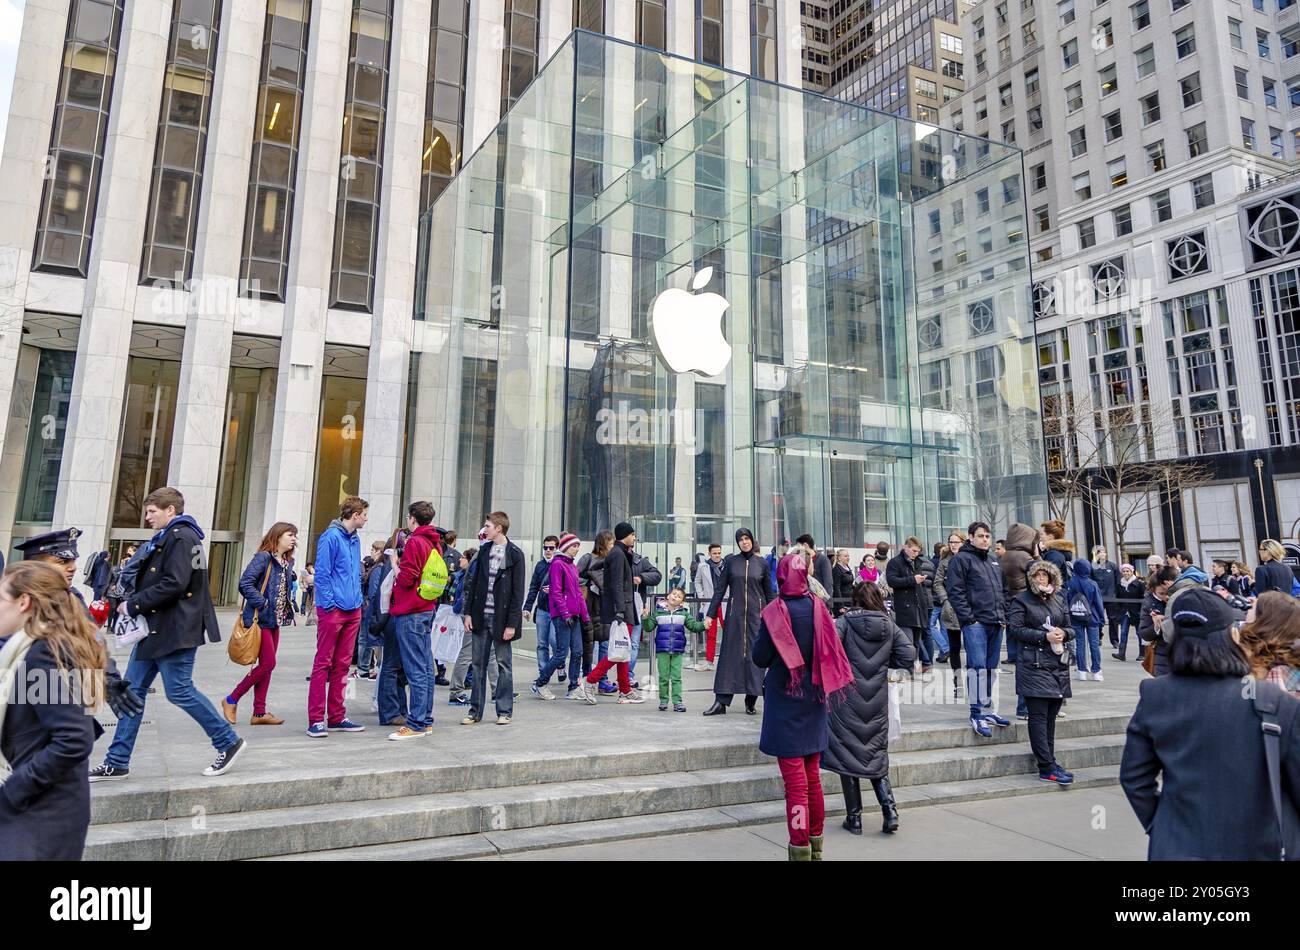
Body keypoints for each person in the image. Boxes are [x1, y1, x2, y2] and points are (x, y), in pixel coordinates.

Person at [1120, 587, 1298, 860]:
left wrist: (1162, 827)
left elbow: (1134, 779)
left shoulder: (1155, 695)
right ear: (1231, 637)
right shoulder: (1273, 700)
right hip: (1258, 846)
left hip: (1179, 847)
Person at [91, 487, 246, 780]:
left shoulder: (181, 536)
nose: (147, 517)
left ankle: (228, 741)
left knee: (179, 691)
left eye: (152, 512)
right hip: (156, 629)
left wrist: (132, 605)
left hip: (174, 629)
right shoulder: (172, 536)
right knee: (131, 692)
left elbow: (175, 583)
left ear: (170, 510)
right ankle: (117, 760)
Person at [0, 561, 108, 859]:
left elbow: (74, 737)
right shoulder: (39, 647)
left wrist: (14, 790)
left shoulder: (45, 653)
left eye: (0, 599)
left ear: (24, 603)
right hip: (44, 809)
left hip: (40, 815)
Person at [753, 552, 853, 861]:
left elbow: (760, 658)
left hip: (785, 702)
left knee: (794, 782)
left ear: (780, 577)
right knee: (812, 778)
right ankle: (816, 845)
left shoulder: (774, 612)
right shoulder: (818, 608)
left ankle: (799, 849)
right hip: (814, 699)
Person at [822, 582, 915, 835]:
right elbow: (909, 655)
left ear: (855, 599)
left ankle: (854, 818)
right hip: (876, 698)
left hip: (846, 698)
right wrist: (884, 663)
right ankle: (890, 811)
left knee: (846, 754)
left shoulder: (845, 622)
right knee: (875, 753)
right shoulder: (889, 625)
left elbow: (828, 649)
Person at [304, 496, 369, 738]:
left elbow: (353, 572)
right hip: (334, 609)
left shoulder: (355, 539)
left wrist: (358, 601)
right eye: (364, 514)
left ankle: (337, 715)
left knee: (343, 665)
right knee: (323, 663)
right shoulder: (331, 537)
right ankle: (315, 719)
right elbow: (322, 573)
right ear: (354, 515)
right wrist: (330, 605)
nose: (365, 518)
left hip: (353, 608)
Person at [223, 522, 297, 726]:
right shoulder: (263, 557)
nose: (293, 539)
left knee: (267, 666)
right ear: (278, 536)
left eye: (294, 536)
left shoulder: (285, 562)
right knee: (268, 663)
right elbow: (245, 583)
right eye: (290, 535)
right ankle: (231, 699)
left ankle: (259, 712)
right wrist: (262, 603)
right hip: (260, 619)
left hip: (275, 620)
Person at [1007, 561, 1075, 785]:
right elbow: (1015, 629)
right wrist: (1042, 636)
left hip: (1056, 664)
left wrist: (1063, 633)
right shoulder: (1022, 600)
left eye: (1045, 576)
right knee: (1038, 716)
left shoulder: (1058, 599)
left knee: (1051, 717)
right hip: (1033, 665)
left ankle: (1051, 761)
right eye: (1037, 576)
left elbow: (1070, 626)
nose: (1041, 579)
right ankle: (1045, 766)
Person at [945, 522, 1010, 738]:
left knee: (991, 668)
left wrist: (1004, 615)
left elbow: (1004, 590)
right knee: (978, 667)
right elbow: (955, 591)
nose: (985, 539)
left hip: (995, 622)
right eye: (980, 536)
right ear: (970, 537)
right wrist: (969, 619)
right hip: (976, 624)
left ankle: (988, 709)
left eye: (987, 536)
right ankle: (977, 712)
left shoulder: (993, 560)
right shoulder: (961, 560)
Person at [462, 512, 525, 725]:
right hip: (480, 616)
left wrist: (511, 625)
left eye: (488, 525)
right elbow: (473, 584)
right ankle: (474, 711)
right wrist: (468, 613)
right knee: (478, 664)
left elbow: (518, 593)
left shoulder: (515, 554)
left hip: (501, 620)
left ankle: (504, 711)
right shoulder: (483, 551)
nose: (485, 528)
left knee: (503, 665)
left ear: (499, 528)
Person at [387, 502, 443, 740]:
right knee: (426, 667)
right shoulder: (434, 542)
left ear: (412, 519)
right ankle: (425, 719)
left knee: (416, 669)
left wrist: (395, 567)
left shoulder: (415, 542)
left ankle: (416, 722)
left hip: (410, 609)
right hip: (426, 607)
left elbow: (408, 577)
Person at [574, 522, 645, 705]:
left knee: (623, 650)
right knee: (617, 651)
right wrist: (620, 611)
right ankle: (590, 681)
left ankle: (625, 690)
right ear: (626, 535)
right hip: (621, 611)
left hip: (622, 610)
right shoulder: (618, 555)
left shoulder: (619, 553)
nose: (634, 537)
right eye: (633, 534)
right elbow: (616, 585)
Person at [703, 528, 772, 716]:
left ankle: (751, 700)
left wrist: (775, 617)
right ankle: (721, 702)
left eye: (746, 538)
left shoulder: (762, 564)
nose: (744, 542)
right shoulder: (731, 562)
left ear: (751, 540)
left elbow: (769, 593)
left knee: (755, 658)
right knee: (729, 657)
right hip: (735, 618)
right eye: (740, 539)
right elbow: (719, 590)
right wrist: (710, 614)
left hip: (757, 619)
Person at [530, 533, 588, 700]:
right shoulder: (557, 564)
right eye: (574, 545)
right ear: (566, 547)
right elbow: (555, 592)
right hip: (563, 616)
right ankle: (540, 683)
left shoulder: (572, 566)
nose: (577, 548)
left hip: (574, 615)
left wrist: (585, 617)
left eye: (578, 545)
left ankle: (573, 687)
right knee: (561, 653)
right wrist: (564, 614)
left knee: (577, 651)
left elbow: (577, 593)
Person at [643, 586, 705, 712]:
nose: (675, 597)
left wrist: (703, 625)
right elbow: (649, 627)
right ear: (668, 596)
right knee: (663, 677)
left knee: (676, 677)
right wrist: (645, 618)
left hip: (677, 650)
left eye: (679, 596)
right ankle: (663, 700)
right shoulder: (658, 613)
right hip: (662, 650)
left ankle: (677, 702)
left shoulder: (684, 614)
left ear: (682, 602)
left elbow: (693, 626)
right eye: (673, 594)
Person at [1238, 591, 1300, 695]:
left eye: (1253, 607)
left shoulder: (1272, 672)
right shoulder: (1285, 659)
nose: (1249, 607)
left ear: (1265, 620)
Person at [886, 537, 932, 674]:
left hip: (918, 606)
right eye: (913, 550)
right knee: (907, 641)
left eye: (918, 551)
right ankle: (906, 669)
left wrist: (925, 601)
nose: (915, 553)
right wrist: (912, 580)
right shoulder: (895, 562)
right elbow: (891, 581)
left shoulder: (916, 562)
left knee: (916, 642)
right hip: (904, 608)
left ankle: (910, 669)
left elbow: (921, 587)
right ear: (905, 547)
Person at [577, 531, 611, 688]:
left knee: (605, 644)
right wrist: (591, 581)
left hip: (604, 608)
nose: (612, 546)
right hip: (589, 607)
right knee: (588, 645)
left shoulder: (611, 560)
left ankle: (602, 679)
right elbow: (575, 577)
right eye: (610, 543)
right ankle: (587, 677)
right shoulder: (588, 558)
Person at [932, 531, 965, 697]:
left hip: (970, 609)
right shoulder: (944, 561)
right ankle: (957, 683)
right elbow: (937, 583)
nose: (953, 544)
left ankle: (975, 683)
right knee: (954, 647)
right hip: (951, 609)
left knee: (974, 648)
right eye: (951, 542)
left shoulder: (969, 558)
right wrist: (945, 599)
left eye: (957, 542)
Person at [523, 535, 558, 683]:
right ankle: (544, 675)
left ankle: (559, 664)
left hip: (557, 611)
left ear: (557, 549)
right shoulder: (540, 565)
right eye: (546, 548)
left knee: (555, 642)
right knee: (542, 644)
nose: (548, 551)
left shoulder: (561, 564)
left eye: (551, 548)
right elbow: (533, 588)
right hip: (543, 610)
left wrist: (555, 590)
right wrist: (527, 608)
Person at [1066, 558, 1107, 682]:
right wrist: (1101, 618)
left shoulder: (1070, 583)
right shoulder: (1092, 584)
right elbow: (1098, 603)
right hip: (1092, 617)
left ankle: (1081, 671)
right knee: (1094, 645)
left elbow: (1067, 600)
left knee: (1080, 644)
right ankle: (1096, 671)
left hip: (1075, 616)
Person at [1135, 565, 1180, 676]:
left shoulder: (1180, 597)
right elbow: (1144, 633)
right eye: (1161, 593)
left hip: (1183, 651)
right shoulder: (1149, 604)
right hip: (1162, 654)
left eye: (1169, 592)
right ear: (1153, 591)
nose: (1166, 597)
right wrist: (1156, 627)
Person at [693, 542, 724, 672]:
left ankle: (728, 661)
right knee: (710, 633)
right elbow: (697, 581)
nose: (717, 556)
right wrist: (702, 597)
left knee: (728, 632)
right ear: (709, 554)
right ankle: (709, 662)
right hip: (710, 601)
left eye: (719, 553)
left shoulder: (727, 565)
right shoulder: (703, 566)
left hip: (724, 602)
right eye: (714, 553)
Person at [1111, 563, 1145, 661]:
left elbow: (1143, 598)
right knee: (1123, 632)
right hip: (1124, 612)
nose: (1125, 573)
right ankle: (1121, 654)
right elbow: (1117, 599)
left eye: (1127, 571)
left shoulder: (1139, 584)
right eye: (1124, 571)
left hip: (1136, 612)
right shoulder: (1119, 585)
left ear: (1132, 572)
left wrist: (1142, 612)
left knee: (1140, 633)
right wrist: (1118, 610)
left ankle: (1142, 653)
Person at [1090, 546, 1119, 647]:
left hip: (1111, 596)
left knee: (1113, 619)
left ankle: (1115, 640)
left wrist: (1117, 596)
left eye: (1103, 552)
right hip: (1098, 597)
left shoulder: (1113, 566)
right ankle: (1098, 637)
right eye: (1099, 552)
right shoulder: (1092, 567)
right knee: (1098, 618)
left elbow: (1118, 582)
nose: (1102, 554)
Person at [831, 549, 855, 615]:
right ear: (839, 558)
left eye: (848, 556)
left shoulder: (847, 567)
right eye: (845, 556)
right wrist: (840, 605)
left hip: (849, 600)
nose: (848, 558)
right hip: (842, 603)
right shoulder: (836, 569)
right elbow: (836, 588)